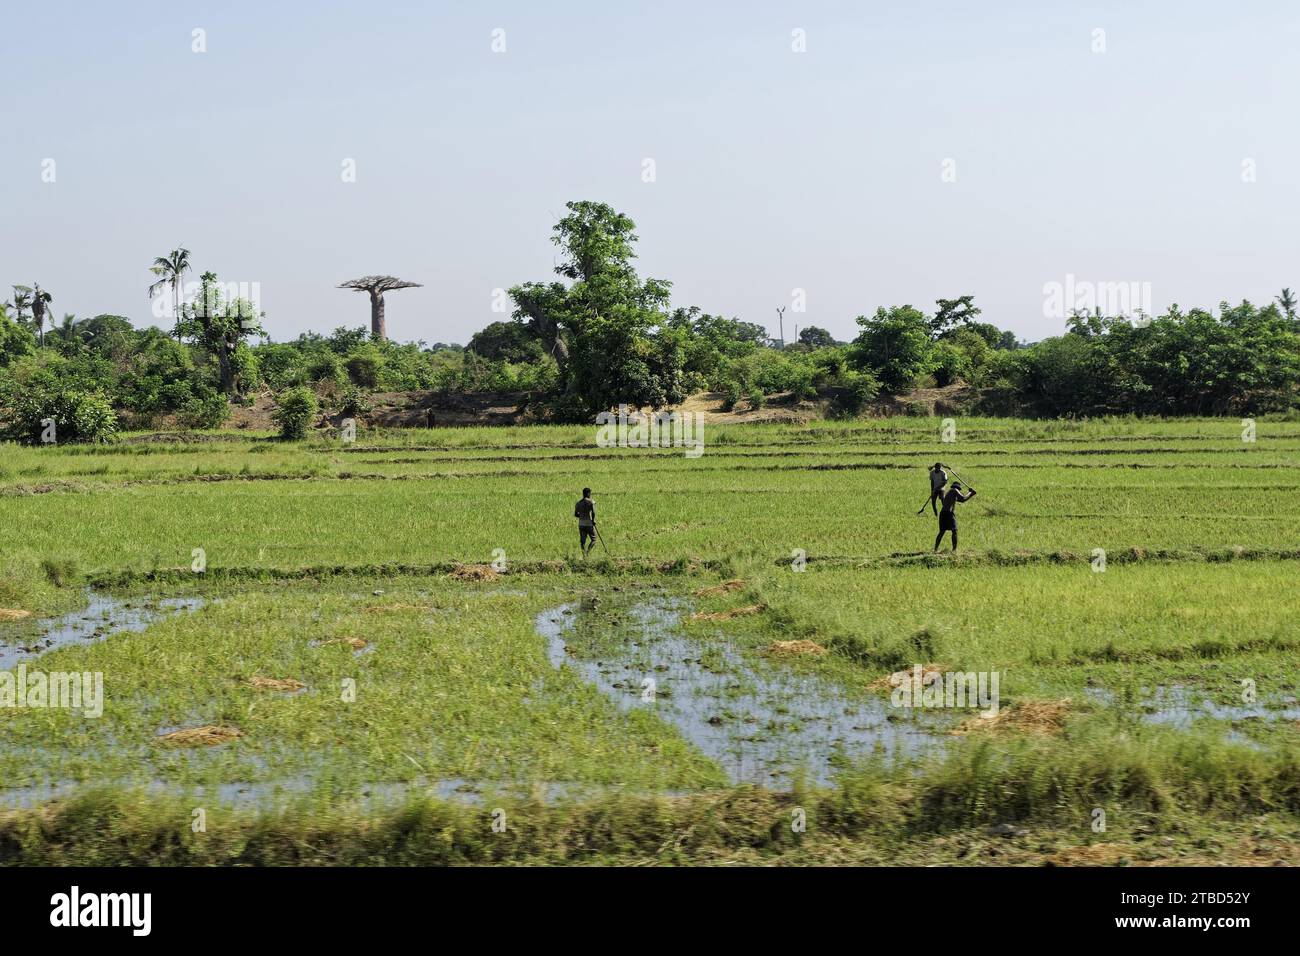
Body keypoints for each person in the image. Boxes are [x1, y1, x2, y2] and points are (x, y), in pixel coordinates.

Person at [934, 481, 976, 552]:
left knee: (942, 532)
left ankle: (935, 549)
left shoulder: (949, 492)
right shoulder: (955, 490)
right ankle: (954, 550)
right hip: (948, 513)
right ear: (958, 488)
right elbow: (963, 499)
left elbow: (961, 500)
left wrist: (971, 494)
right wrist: (970, 493)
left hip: (943, 513)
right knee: (954, 531)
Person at [575, 487, 597, 557]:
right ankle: (587, 552)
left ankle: (584, 555)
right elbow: (593, 512)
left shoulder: (578, 503)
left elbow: (576, 514)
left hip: (581, 524)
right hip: (589, 523)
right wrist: (593, 520)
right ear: (588, 493)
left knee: (582, 542)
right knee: (594, 539)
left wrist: (581, 516)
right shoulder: (591, 502)